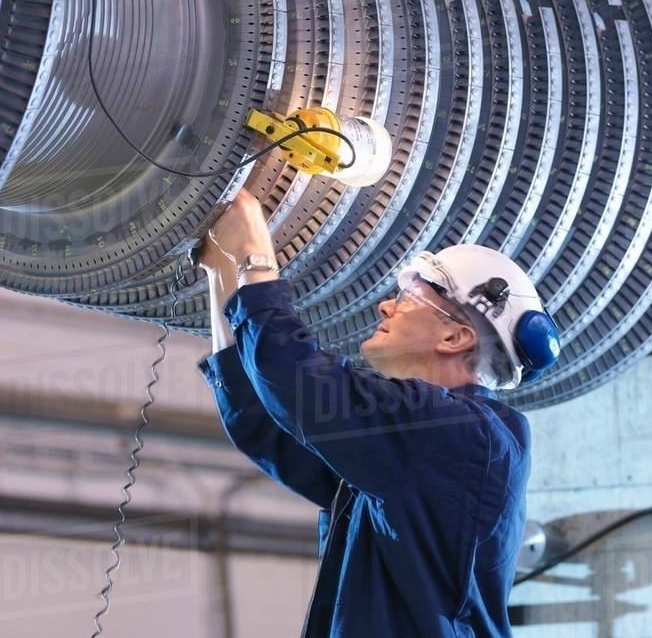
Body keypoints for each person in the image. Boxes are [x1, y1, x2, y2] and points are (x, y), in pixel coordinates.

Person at [196, 188, 561, 637]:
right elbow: (266, 424)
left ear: (454, 338)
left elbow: (298, 383)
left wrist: (255, 253)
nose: (386, 305)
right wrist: (223, 275)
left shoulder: (463, 436)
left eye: (410, 296)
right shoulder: (404, 461)